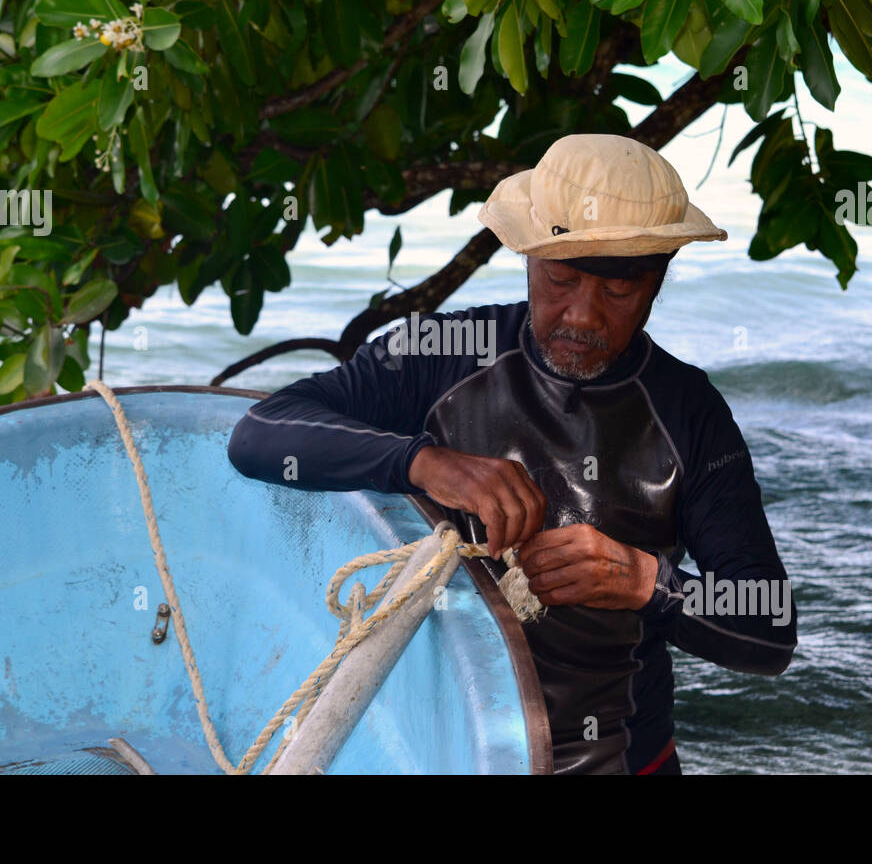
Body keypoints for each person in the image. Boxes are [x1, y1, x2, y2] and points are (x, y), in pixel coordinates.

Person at [228, 133, 797, 774]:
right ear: (527, 255)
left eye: (618, 291)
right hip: (434, 748)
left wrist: (643, 583)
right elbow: (260, 432)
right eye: (562, 277)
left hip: (620, 759)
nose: (581, 315)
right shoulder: (444, 353)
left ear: (659, 278)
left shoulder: (689, 412)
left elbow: (768, 630)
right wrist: (425, 462)